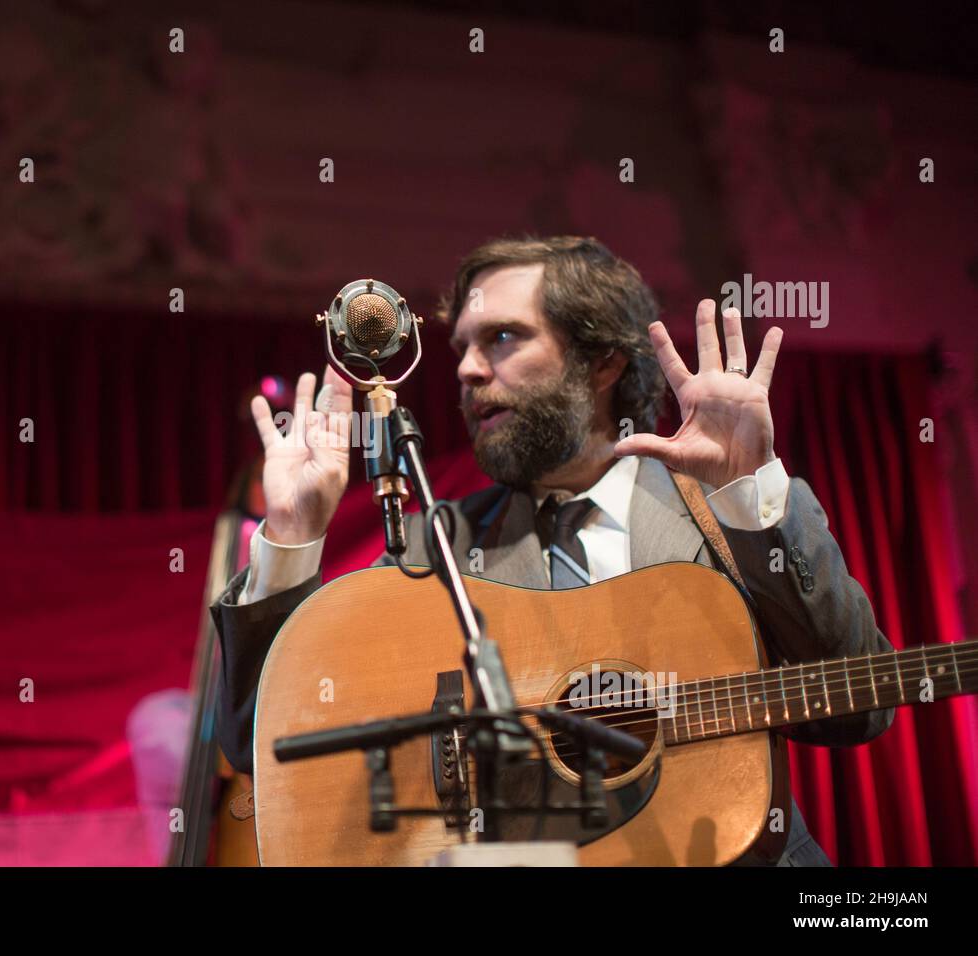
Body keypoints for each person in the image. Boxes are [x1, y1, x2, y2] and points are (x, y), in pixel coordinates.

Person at [210, 235, 894, 866]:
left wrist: (748, 490)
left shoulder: (725, 514)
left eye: (502, 338)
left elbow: (862, 707)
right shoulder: (433, 548)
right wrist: (294, 533)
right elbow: (264, 750)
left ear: (603, 360)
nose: (470, 372)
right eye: (462, 350)